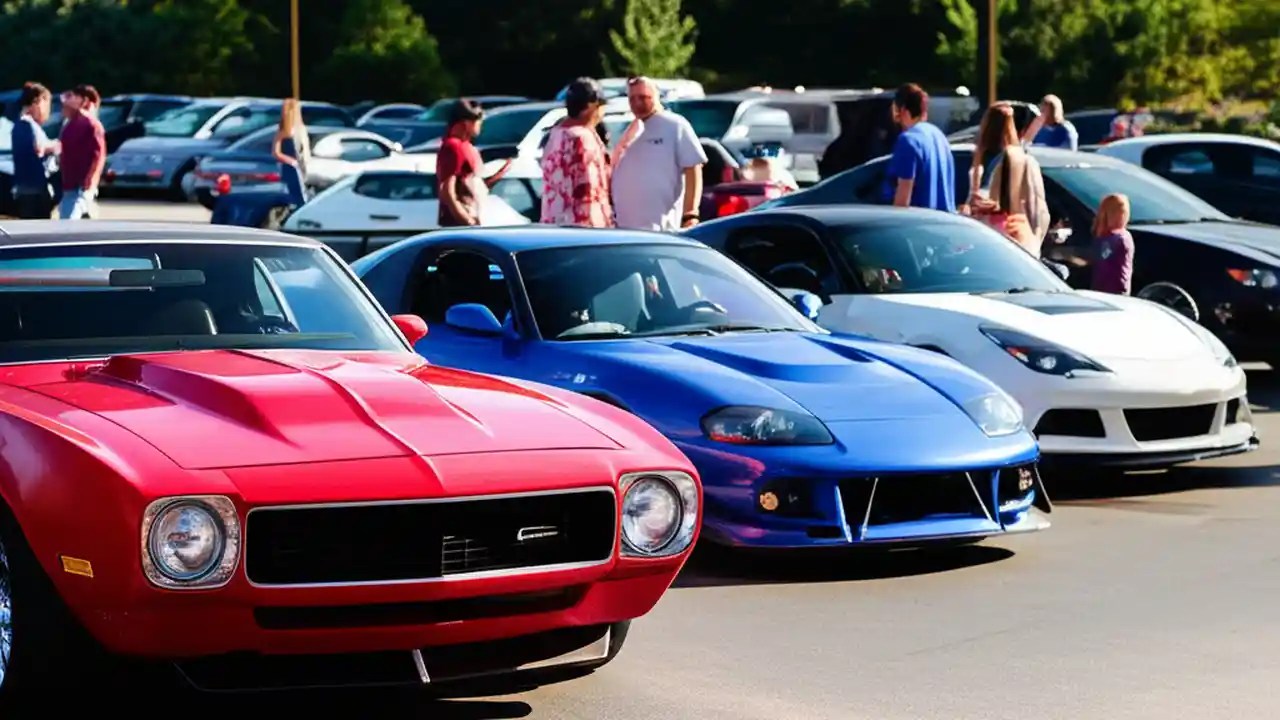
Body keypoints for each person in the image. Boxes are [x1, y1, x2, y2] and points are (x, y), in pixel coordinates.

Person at [609, 76, 708, 231]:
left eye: (643, 97)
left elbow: (693, 168)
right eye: (632, 98)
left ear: (656, 96)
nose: (637, 103)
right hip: (625, 229)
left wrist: (691, 213)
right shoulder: (630, 130)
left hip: (661, 229)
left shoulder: (675, 125)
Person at [971, 104, 1050, 255]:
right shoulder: (1018, 160)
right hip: (1013, 231)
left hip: (982, 232)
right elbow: (1037, 208)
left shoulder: (979, 157)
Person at [540, 78, 613, 227]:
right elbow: (588, 191)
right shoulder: (582, 138)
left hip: (552, 225)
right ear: (591, 106)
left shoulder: (555, 135)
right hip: (580, 229)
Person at [435, 98, 513, 227]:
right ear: (466, 123)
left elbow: (471, 186)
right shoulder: (453, 147)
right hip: (460, 224)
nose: (480, 125)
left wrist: (500, 173)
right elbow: (447, 191)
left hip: (475, 215)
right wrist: (467, 221)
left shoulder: (466, 146)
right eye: (478, 122)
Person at [885, 83, 955, 212]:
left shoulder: (908, 140)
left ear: (901, 110)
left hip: (918, 226)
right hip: (944, 224)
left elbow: (902, 202)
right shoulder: (939, 136)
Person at [9, 82, 60, 219]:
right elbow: (38, 148)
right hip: (33, 192)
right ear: (38, 101)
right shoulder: (26, 125)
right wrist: (54, 146)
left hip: (29, 189)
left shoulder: (23, 125)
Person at [57, 84, 106, 220]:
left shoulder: (91, 125)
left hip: (80, 186)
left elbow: (98, 155)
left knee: (68, 222)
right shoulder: (70, 124)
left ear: (84, 101)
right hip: (70, 184)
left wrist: (89, 180)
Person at [1092, 193, 1134, 295]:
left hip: (1112, 290)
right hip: (1115, 288)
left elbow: (1098, 256)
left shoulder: (1117, 238)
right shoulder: (1123, 236)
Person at [272, 98, 311, 208]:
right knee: (297, 194)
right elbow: (276, 152)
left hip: (300, 166)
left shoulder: (300, 129)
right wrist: (291, 161)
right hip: (291, 167)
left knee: (303, 193)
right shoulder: (284, 130)